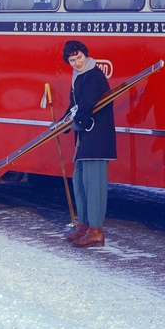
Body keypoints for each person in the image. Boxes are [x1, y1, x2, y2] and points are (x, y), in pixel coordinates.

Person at [62, 40, 116, 248]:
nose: (77, 62)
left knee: (94, 185)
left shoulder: (94, 75)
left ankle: (96, 231)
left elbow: (86, 105)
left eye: (79, 57)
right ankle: (84, 225)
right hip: (86, 138)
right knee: (79, 181)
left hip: (97, 137)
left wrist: (75, 124)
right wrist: (62, 124)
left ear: (86, 55)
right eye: (72, 60)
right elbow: (74, 106)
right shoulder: (78, 76)